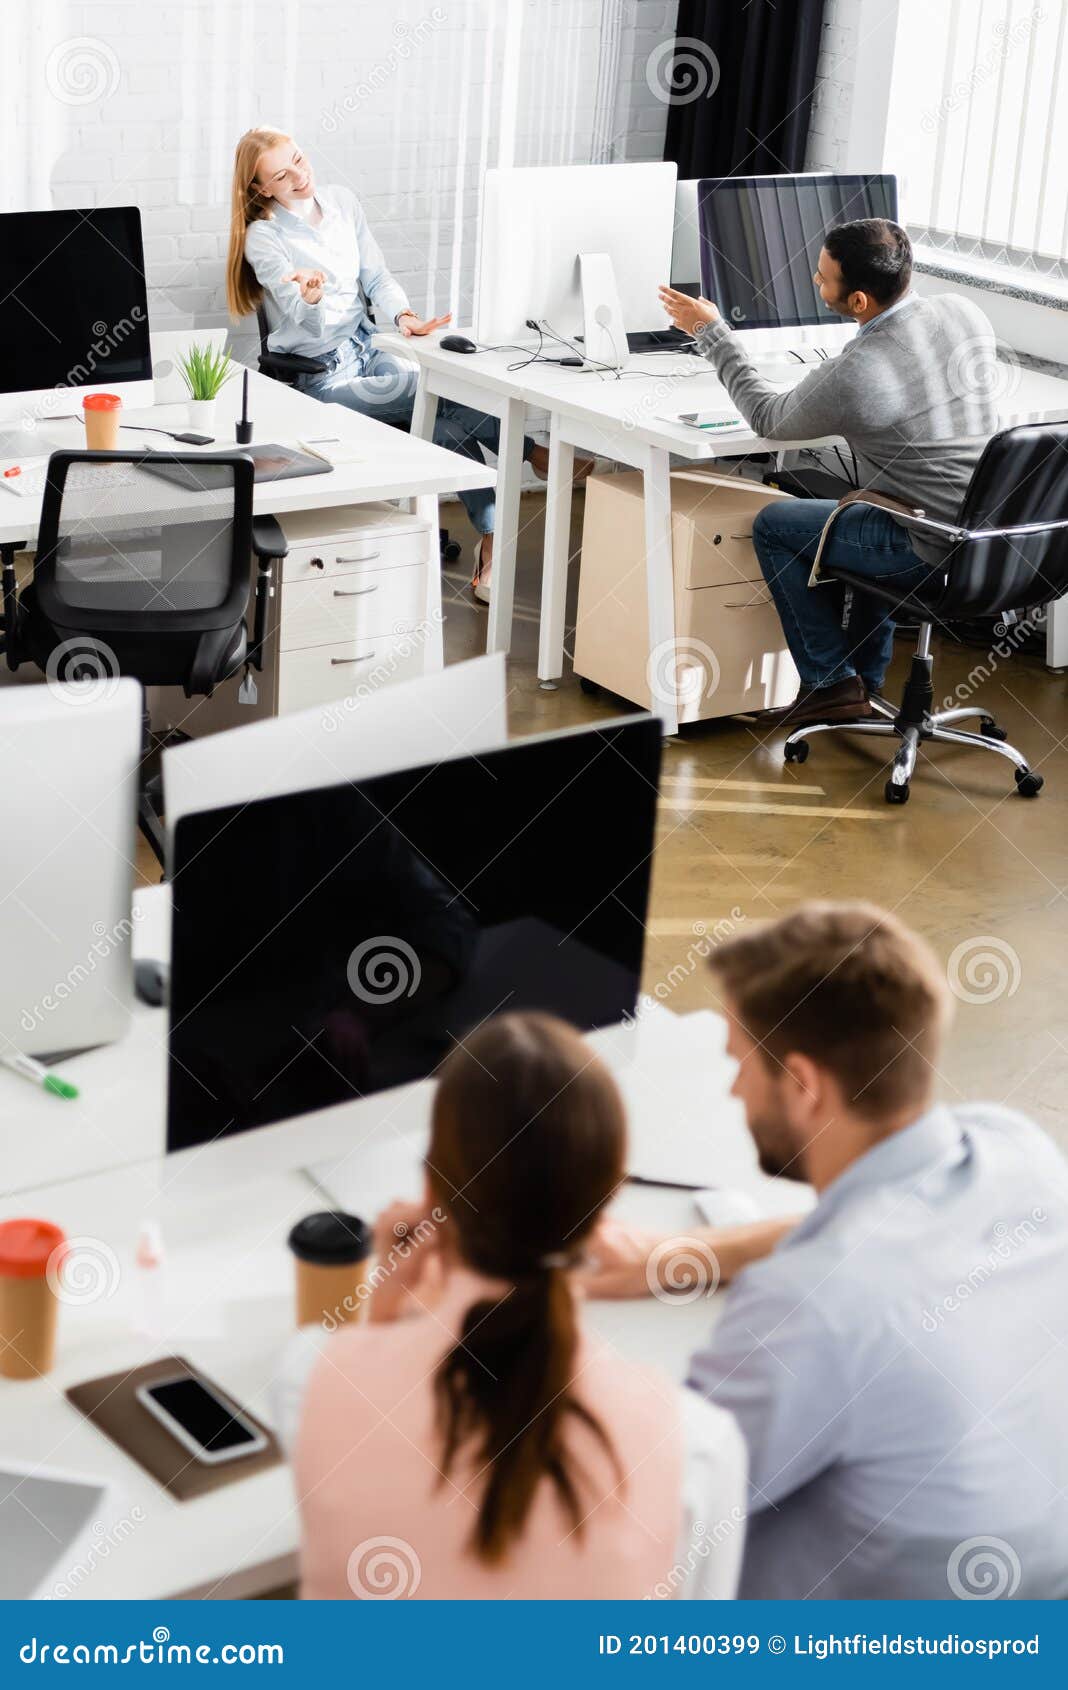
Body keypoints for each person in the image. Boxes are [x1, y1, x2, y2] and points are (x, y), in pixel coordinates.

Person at [584, 902, 1068, 1599]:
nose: (732, 1089)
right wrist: (687, 1251)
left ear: (805, 1085)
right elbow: (885, 1233)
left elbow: (633, 1507)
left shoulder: (813, 1307)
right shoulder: (1017, 1149)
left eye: (741, 1063)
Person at [278, 1012, 748, 1600]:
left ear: (431, 1190)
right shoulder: (698, 1446)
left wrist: (383, 1316)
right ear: (605, 1208)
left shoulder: (309, 1379)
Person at [659, 221, 999, 728]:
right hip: (997, 543)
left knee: (776, 524)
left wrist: (711, 331)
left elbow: (768, 418)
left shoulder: (859, 372)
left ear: (859, 301)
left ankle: (831, 683)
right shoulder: (963, 312)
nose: (815, 284)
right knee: (867, 505)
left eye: (822, 279)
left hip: (929, 549)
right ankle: (866, 680)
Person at [225, 127, 549, 604]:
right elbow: (305, 323)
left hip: (367, 350)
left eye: (298, 159)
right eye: (281, 174)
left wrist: (404, 317)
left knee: (442, 416)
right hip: (321, 378)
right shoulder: (263, 237)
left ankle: (495, 535)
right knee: (437, 397)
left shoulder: (340, 202)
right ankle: (533, 458)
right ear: (260, 189)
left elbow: (376, 276)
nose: (298, 175)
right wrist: (310, 298)